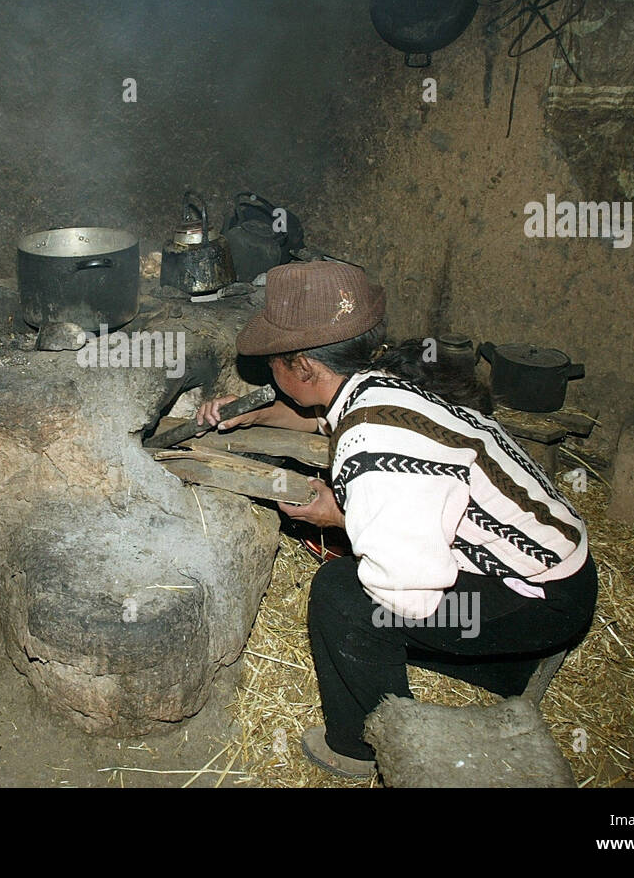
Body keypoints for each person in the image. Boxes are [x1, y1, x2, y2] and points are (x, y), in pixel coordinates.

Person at [196, 260, 597, 777]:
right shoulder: (378, 383)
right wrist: (257, 412)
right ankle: (503, 668)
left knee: (344, 599)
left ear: (303, 368)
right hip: (558, 567)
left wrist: (338, 515)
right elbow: (327, 419)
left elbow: (408, 588)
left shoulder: (374, 448)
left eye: (274, 363)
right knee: (369, 596)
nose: (268, 375)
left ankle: (362, 746)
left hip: (538, 601)